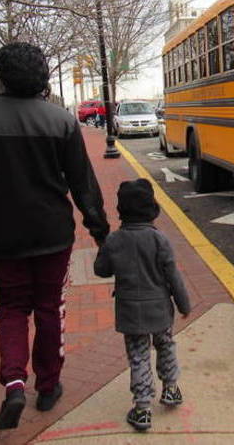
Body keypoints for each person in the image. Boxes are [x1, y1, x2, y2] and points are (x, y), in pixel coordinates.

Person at [0, 42, 110, 430]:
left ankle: (14, 381)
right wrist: (100, 232)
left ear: (0, 75)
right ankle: (48, 385)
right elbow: (83, 184)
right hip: (53, 232)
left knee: (12, 308)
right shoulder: (61, 121)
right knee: (50, 307)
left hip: (4, 234)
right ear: (43, 76)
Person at [93, 179, 191, 432]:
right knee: (165, 344)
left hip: (130, 312)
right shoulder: (160, 240)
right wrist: (184, 305)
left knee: (138, 355)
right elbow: (173, 276)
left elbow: (101, 270)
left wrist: (104, 246)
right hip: (160, 309)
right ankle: (170, 388)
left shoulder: (115, 241)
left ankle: (142, 408)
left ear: (121, 210)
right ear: (152, 208)